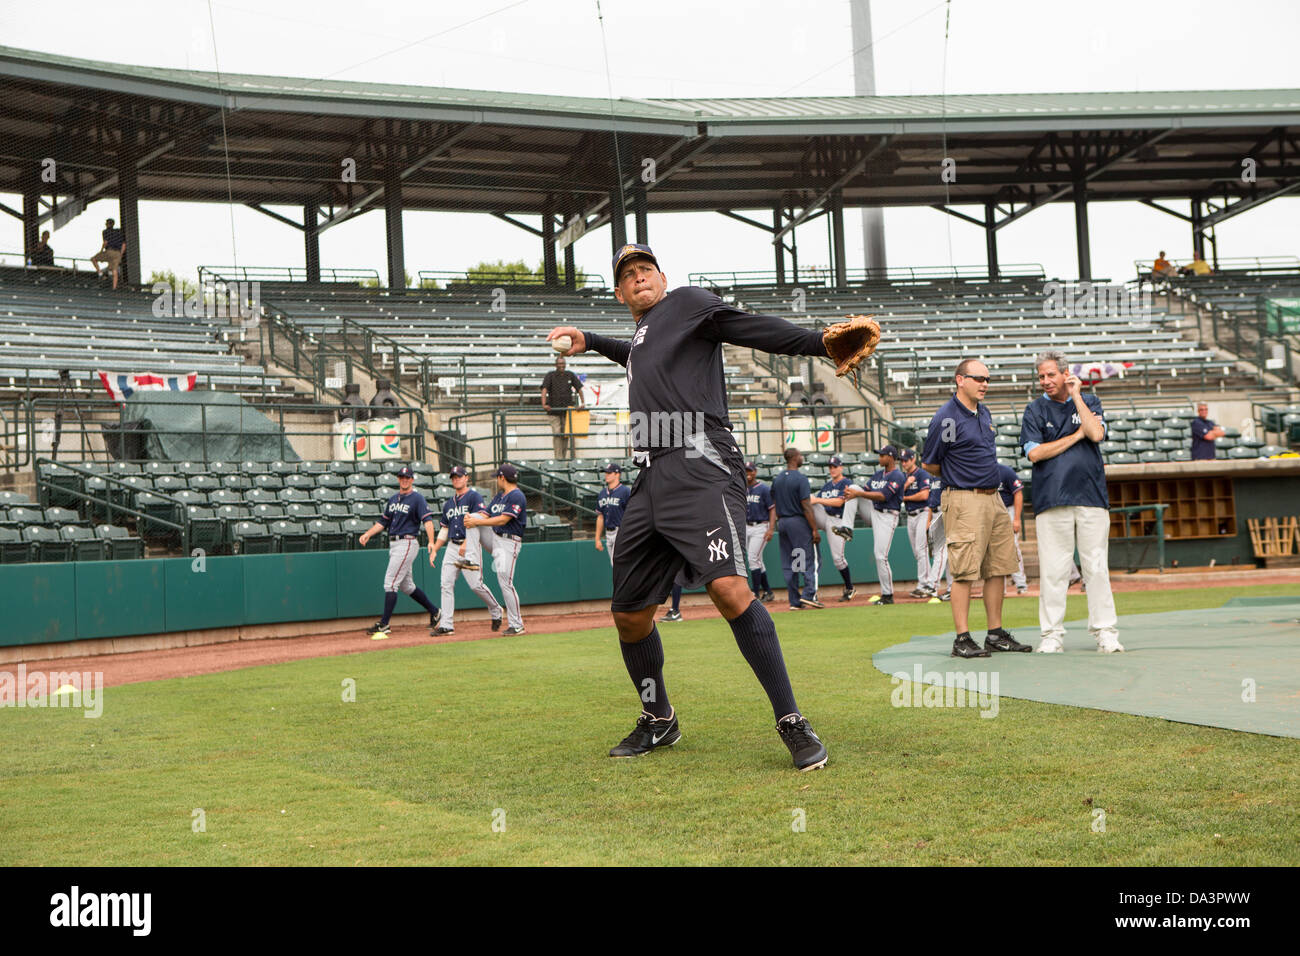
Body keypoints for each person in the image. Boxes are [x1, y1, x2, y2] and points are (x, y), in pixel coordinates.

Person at [546, 242, 832, 771]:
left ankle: (791, 720)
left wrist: (819, 342)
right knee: (629, 616)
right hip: (649, 476)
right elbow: (638, 354)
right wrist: (591, 342)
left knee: (729, 589)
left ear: (661, 276)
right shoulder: (642, 334)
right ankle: (660, 719)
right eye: (627, 275)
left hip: (699, 458)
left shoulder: (688, 303)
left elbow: (748, 326)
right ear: (619, 292)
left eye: (645, 269)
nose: (638, 278)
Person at [921, 359, 1032, 658]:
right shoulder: (946, 418)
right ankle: (962, 638)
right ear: (960, 379)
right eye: (978, 378)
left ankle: (995, 634)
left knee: (998, 567)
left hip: (994, 497)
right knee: (965, 569)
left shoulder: (984, 412)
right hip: (963, 497)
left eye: (987, 379)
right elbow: (930, 463)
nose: (984, 384)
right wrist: (959, 478)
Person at [1021, 351, 1123, 653]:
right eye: (1041, 376)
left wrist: (1077, 396)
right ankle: (1051, 634)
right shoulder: (1034, 410)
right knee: (1054, 570)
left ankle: (1105, 631)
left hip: (1091, 496)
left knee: (1096, 567)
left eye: (1051, 374)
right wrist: (1076, 436)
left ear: (1065, 374)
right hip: (1050, 498)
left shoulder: (1089, 402)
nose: (1045, 381)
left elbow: (1096, 434)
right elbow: (1035, 453)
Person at [356, 465, 441, 638]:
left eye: (407, 477)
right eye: (402, 477)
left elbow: (428, 521)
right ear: (398, 479)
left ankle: (384, 624)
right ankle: (435, 611)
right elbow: (383, 522)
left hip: (407, 542)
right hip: (394, 544)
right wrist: (367, 534)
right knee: (406, 585)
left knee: (390, 583)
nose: (404, 479)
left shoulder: (417, 499)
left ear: (412, 479)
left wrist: (431, 541)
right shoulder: (393, 499)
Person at [428, 465, 503, 635]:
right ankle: (446, 625)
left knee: (476, 585)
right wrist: (435, 549)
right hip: (452, 546)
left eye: (459, 476)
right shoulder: (449, 504)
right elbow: (445, 530)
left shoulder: (473, 497)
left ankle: (496, 609)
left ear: (466, 477)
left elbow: (480, 520)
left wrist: (467, 542)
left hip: (470, 546)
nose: (456, 479)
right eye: (454, 477)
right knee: (445, 584)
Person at [465, 463, 527, 636]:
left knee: (505, 583)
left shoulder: (517, 495)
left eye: (497, 477)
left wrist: (477, 522)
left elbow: (502, 520)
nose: (497, 480)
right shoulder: (500, 496)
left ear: (502, 478)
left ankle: (517, 624)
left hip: (509, 542)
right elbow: (485, 514)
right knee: (473, 517)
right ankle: (470, 558)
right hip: (496, 538)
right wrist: (472, 519)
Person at [845, 445, 905, 605]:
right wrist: (854, 494)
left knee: (880, 556)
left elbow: (883, 496)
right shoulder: (878, 475)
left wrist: (860, 494)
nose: (879, 458)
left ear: (891, 457)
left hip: (888, 516)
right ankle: (847, 528)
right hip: (874, 512)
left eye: (882, 455)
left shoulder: (898, 475)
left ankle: (888, 595)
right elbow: (862, 492)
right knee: (853, 488)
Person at [772, 447, 822, 611]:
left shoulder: (778, 479)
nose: (802, 457)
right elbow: (806, 506)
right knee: (809, 560)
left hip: (783, 524)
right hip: (798, 523)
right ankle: (809, 595)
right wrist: (814, 529)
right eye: (800, 455)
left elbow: (774, 502)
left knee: (792, 562)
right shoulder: (800, 478)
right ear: (794, 458)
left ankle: (794, 600)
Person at [808, 455, 859, 601]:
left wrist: (817, 499)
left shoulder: (846, 483)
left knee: (838, 559)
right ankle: (809, 529)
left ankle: (850, 588)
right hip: (826, 517)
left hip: (838, 521)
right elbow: (814, 501)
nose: (832, 469)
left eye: (835, 466)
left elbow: (839, 502)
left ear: (841, 467)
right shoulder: (828, 485)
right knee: (809, 500)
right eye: (830, 467)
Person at [899, 450, 935, 598]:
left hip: (923, 513)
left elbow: (924, 495)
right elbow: (896, 495)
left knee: (921, 550)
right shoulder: (903, 477)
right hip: (910, 515)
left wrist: (906, 498)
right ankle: (925, 582)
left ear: (913, 459)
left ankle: (925, 584)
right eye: (902, 460)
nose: (904, 463)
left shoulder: (922, 474)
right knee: (917, 551)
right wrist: (906, 484)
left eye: (906, 460)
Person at [743, 462, 777, 603]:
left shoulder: (763, 488)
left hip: (760, 527)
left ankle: (755, 593)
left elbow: (772, 509)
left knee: (752, 559)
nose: (748, 473)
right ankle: (768, 592)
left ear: (755, 472)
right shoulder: (742, 488)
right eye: (746, 471)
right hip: (746, 526)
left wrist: (771, 528)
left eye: (750, 470)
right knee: (758, 561)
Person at [540, 356, 585, 459]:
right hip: (554, 411)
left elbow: (579, 388)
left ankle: (563, 458)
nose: (561, 366)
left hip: (566, 412)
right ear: (556, 365)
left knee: (566, 435)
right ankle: (558, 458)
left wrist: (582, 403)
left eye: (563, 363)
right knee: (557, 434)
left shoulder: (570, 375)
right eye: (559, 364)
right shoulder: (550, 375)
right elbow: (544, 389)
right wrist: (544, 404)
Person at [996, 462, 1029, 595]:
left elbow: (1018, 493)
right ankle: (1000, 588)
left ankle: (1020, 583)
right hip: (990, 512)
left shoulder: (1005, 471)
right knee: (994, 552)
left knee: (1013, 548)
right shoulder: (982, 471)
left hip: (1007, 510)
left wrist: (1016, 519)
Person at [594, 463, 631, 566]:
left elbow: (631, 514)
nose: (606, 475)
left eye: (609, 473)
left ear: (617, 474)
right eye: (606, 473)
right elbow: (600, 516)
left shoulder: (625, 491)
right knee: (614, 565)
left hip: (620, 532)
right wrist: (597, 538)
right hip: (608, 533)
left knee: (619, 565)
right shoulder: (602, 493)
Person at [924, 474, 953, 602]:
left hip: (945, 512)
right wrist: (928, 520)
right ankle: (951, 589)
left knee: (940, 552)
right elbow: (931, 503)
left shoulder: (947, 475)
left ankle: (932, 585)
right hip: (935, 513)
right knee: (947, 555)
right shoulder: (933, 478)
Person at [90, 218, 127, 289]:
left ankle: (100, 273)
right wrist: (121, 254)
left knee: (93, 259)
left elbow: (105, 242)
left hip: (109, 251)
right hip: (117, 253)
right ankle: (114, 287)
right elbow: (124, 245)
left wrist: (101, 251)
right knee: (114, 270)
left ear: (107, 224)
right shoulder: (119, 232)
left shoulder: (105, 231)